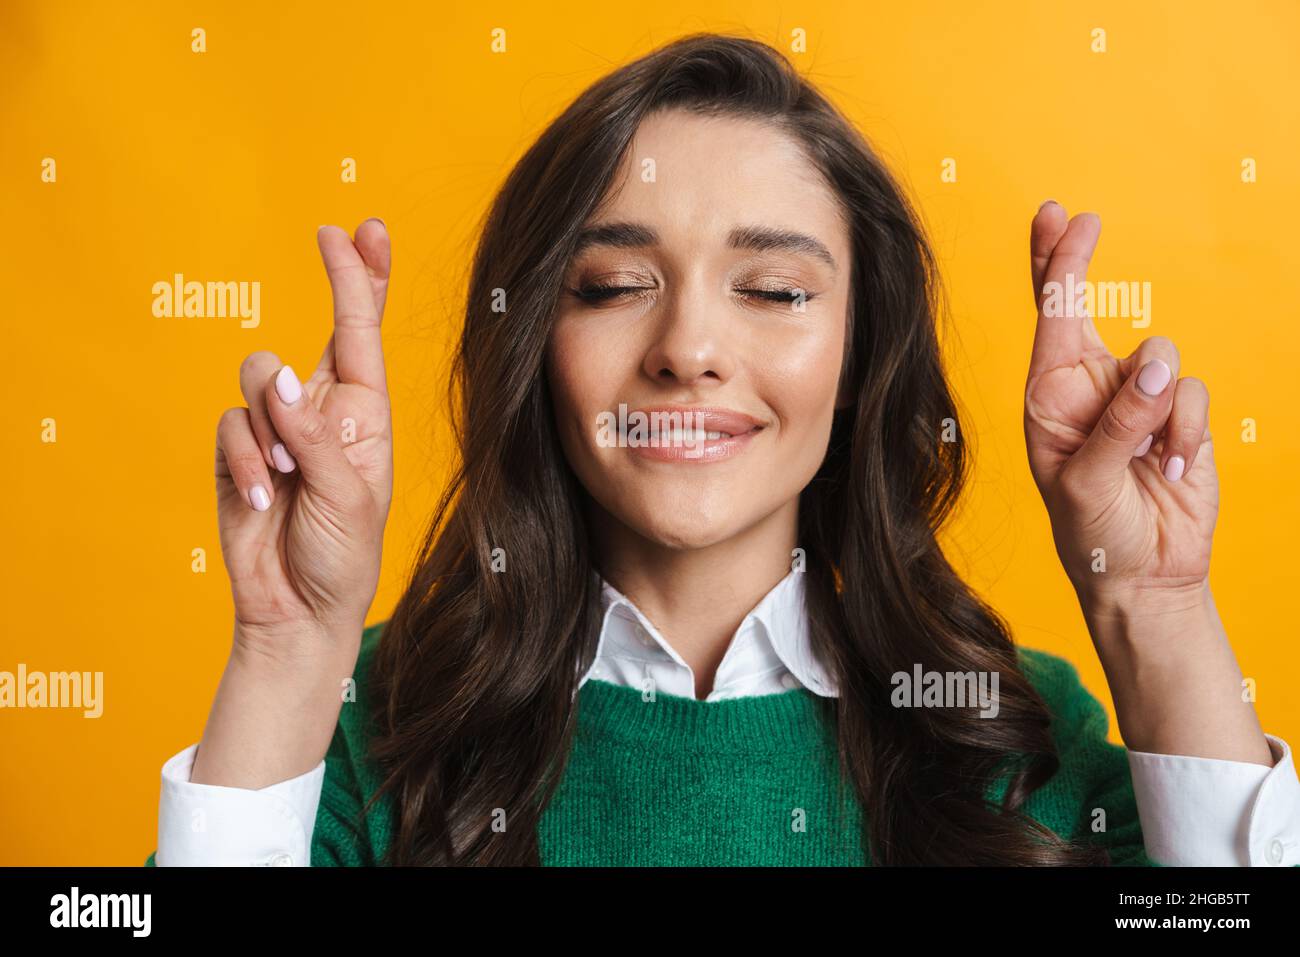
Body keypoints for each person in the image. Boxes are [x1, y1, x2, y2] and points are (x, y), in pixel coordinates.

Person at [147, 32, 1298, 867]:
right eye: (612, 285)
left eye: (775, 289)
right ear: (535, 345)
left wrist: (1152, 605)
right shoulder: (372, 727)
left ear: (859, 361)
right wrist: (289, 653)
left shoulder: (999, 739)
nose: (689, 346)